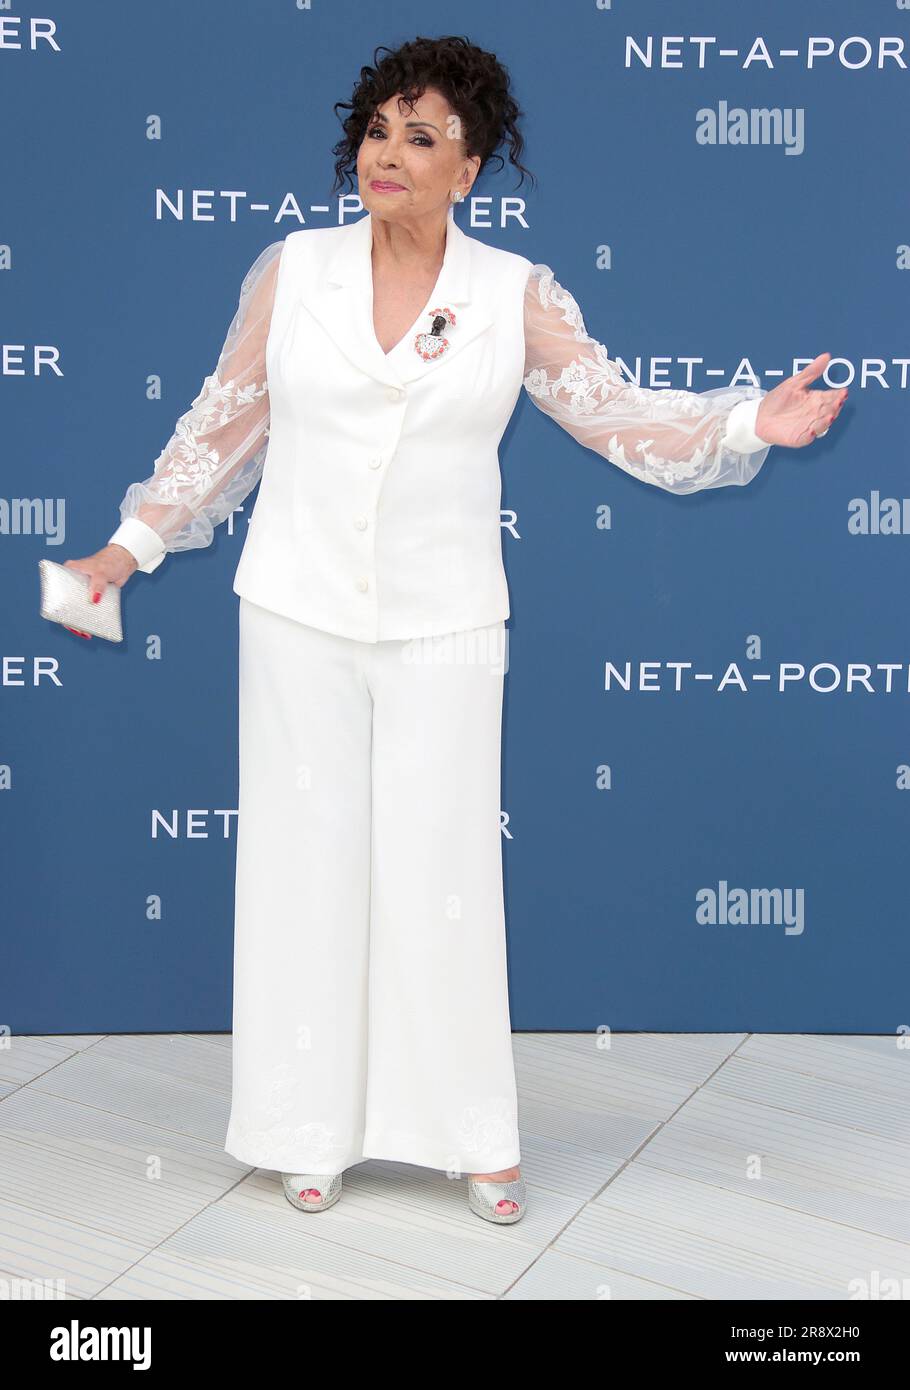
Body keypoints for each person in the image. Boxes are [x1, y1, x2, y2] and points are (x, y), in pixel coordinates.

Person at [64, 36, 847, 1226]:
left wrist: (747, 422)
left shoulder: (512, 293)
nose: (389, 155)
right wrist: (130, 548)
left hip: (446, 618)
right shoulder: (291, 271)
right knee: (302, 868)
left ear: (470, 168)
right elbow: (219, 429)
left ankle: (472, 1138)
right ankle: (303, 1125)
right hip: (294, 609)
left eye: (421, 137)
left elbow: (618, 414)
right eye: (377, 131)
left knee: (441, 879)